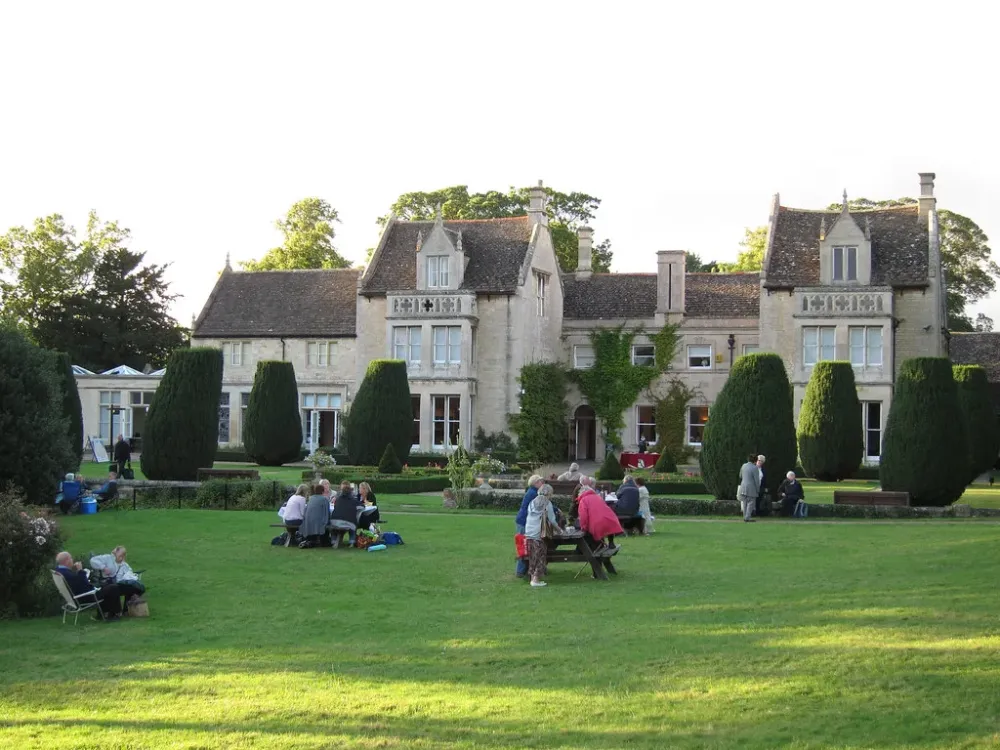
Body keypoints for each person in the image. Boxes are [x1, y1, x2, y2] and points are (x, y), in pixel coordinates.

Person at [55, 551, 122, 621]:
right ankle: (115, 614)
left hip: (78, 596)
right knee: (113, 587)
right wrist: (80, 570)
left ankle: (104, 613)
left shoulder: (59, 571)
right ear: (67, 561)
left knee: (107, 586)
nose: (72, 560)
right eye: (71, 558)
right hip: (86, 597)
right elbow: (84, 584)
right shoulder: (67, 574)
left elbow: (77, 583)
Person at [524, 483, 558, 588]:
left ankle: (532, 578)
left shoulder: (532, 502)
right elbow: (552, 520)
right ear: (549, 493)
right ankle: (535, 579)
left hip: (529, 531)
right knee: (540, 555)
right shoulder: (547, 503)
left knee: (533, 555)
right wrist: (560, 530)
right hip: (539, 532)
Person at [576, 477, 624, 546]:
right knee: (608, 527)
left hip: (597, 522)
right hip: (610, 518)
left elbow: (583, 516)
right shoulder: (597, 497)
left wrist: (583, 527)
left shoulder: (583, 500)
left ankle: (598, 546)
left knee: (591, 533)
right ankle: (611, 543)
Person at [514, 475, 544, 578]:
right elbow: (544, 503)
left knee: (525, 545)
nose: (542, 483)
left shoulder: (533, 492)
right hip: (523, 522)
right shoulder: (534, 493)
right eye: (541, 481)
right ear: (536, 483)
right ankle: (520, 570)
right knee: (524, 545)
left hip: (523, 521)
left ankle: (526, 569)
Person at [331, 480, 359, 545]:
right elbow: (361, 506)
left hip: (335, 521)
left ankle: (333, 540)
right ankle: (352, 540)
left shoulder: (338, 499)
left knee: (334, 525)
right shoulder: (353, 499)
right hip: (348, 521)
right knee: (353, 524)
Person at [738, 454, 761, 522]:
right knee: (751, 503)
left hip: (743, 486)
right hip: (751, 487)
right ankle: (747, 517)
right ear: (755, 461)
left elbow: (740, 476)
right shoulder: (755, 468)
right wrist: (758, 489)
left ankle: (745, 516)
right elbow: (756, 480)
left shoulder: (743, 465)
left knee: (744, 502)